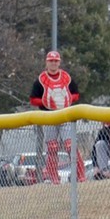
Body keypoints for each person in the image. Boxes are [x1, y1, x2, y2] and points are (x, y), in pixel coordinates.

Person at [29, 50, 85, 184]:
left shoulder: (66, 77)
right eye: (51, 61)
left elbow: (76, 94)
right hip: (49, 115)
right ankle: (54, 177)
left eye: (56, 61)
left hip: (65, 114)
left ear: (59, 62)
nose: (53, 63)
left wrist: (68, 98)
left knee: (70, 145)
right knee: (52, 147)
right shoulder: (40, 80)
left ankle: (81, 175)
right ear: (46, 63)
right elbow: (32, 99)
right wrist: (46, 101)